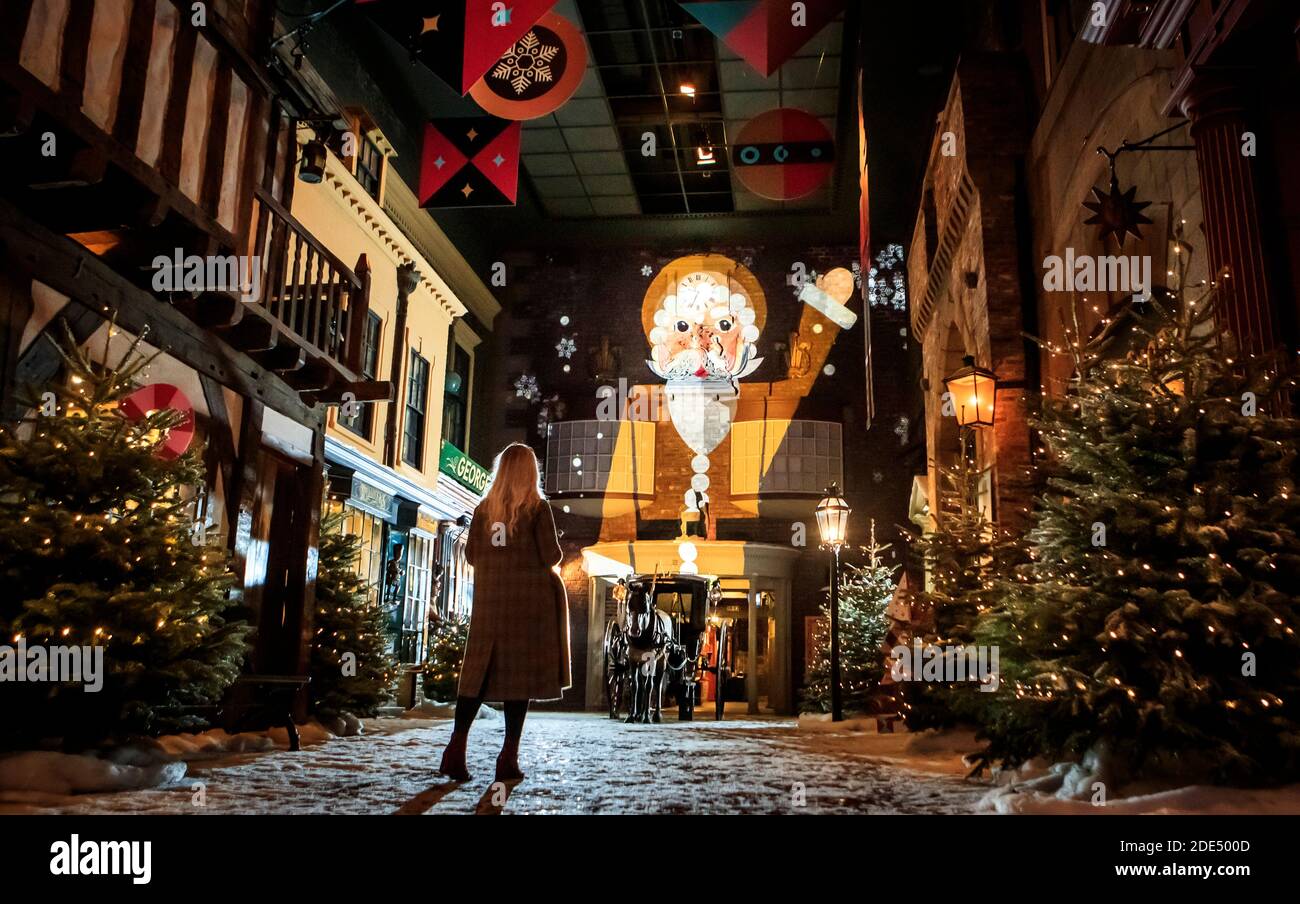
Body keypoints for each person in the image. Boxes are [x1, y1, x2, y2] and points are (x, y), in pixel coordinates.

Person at [438, 443, 571, 783]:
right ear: (531, 473)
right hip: (527, 607)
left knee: (476, 677)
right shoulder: (538, 509)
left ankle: (456, 748)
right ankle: (507, 757)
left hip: (489, 604)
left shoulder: (484, 509)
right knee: (518, 681)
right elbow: (550, 556)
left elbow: (470, 555)